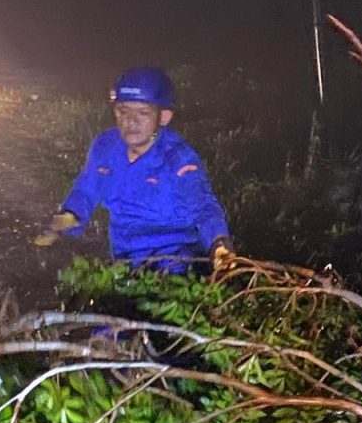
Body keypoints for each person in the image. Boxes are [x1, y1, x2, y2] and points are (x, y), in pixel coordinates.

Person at [34, 66, 232, 274]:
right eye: (123, 110)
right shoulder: (105, 146)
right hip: (125, 257)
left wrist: (219, 243)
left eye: (143, 112)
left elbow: (203, 207)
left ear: (163, 117)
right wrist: (66, 219)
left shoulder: (178, 158)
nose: (131, 121)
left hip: (176, 259)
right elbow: (85, 190)